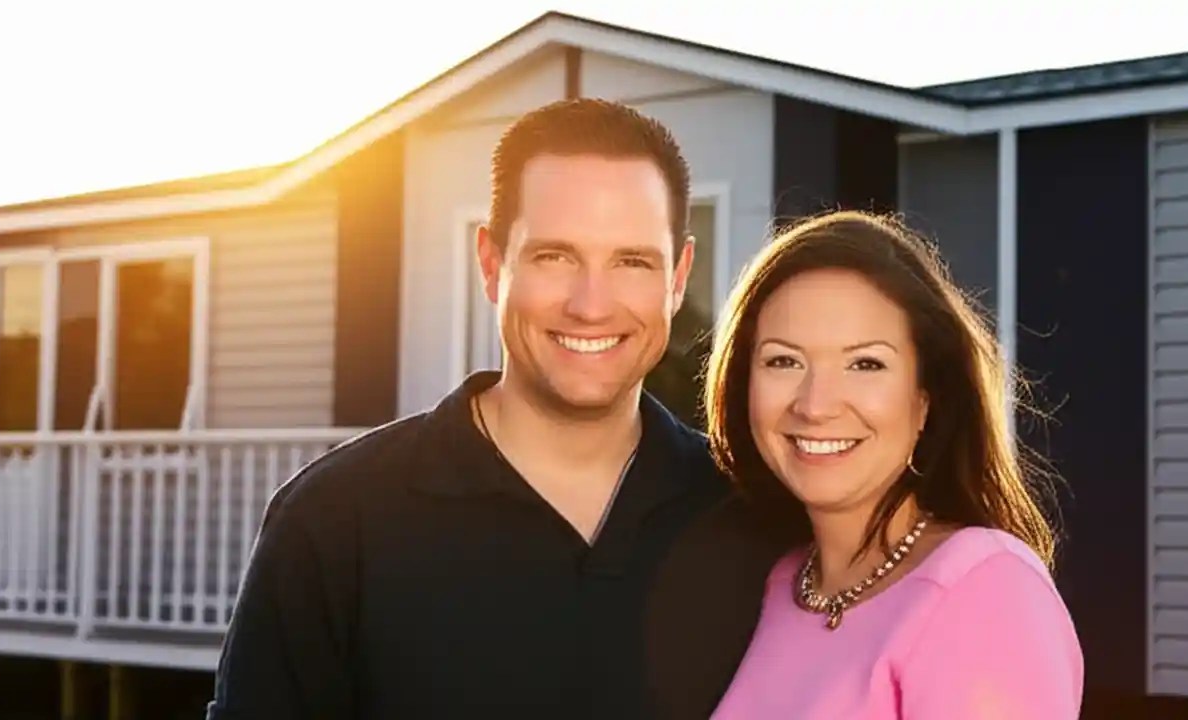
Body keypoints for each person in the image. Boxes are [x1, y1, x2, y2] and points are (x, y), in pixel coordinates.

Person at [205, 99, 781, 719]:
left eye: (632, 261)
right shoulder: (335, 522)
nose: (591, 305)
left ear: (677, 279)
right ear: (491, 262)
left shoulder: (747, 513)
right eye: (555, 257)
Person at [702, 210, 1084, 718]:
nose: (816, 405)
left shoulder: (984, 589)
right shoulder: (780, 585)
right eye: (783, 361)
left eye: (865, 364)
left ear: (925, 399)